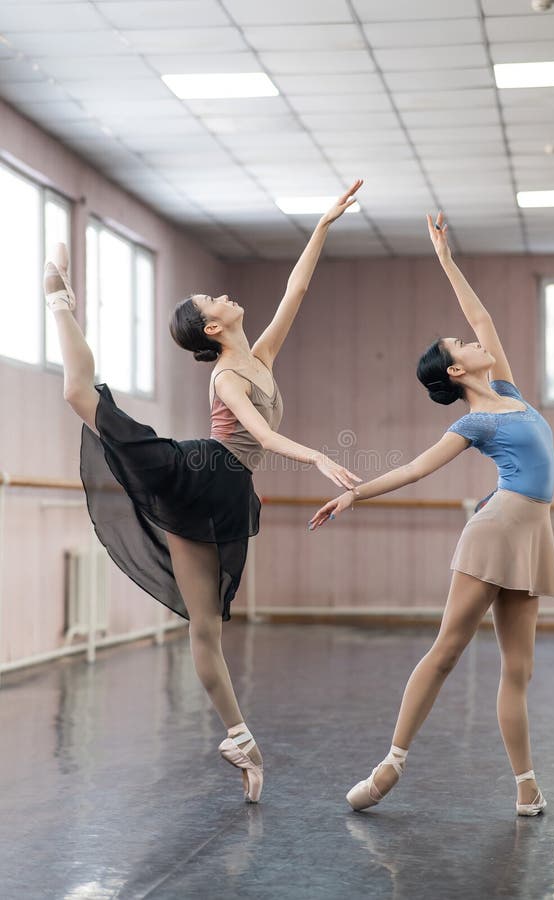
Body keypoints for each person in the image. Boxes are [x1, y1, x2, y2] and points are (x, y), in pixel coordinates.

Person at [43, 181, 363, 804]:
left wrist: (323, 223)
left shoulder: (260, 354)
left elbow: (297, 289)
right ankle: (60, 303)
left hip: (224, 490)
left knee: (207, 627)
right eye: (211, 298)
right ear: (213, 327)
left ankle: (239, 739)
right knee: (84, 398)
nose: (222, 294)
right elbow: (263, 435)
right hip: (197, 475)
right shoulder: (225, 373)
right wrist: (318, 455)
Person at [309, 211, 554, 816]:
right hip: (495, 530)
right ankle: (391, 762)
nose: (475, 342)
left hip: (532, 534)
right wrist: (357, 492)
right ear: (456, 370)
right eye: (462, 347)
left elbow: (483, 318)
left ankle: (526, 784)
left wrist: (446, 258)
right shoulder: (473, 420)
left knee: (518, 669)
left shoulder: (510, 393)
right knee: (447, 649)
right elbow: (417, 468)